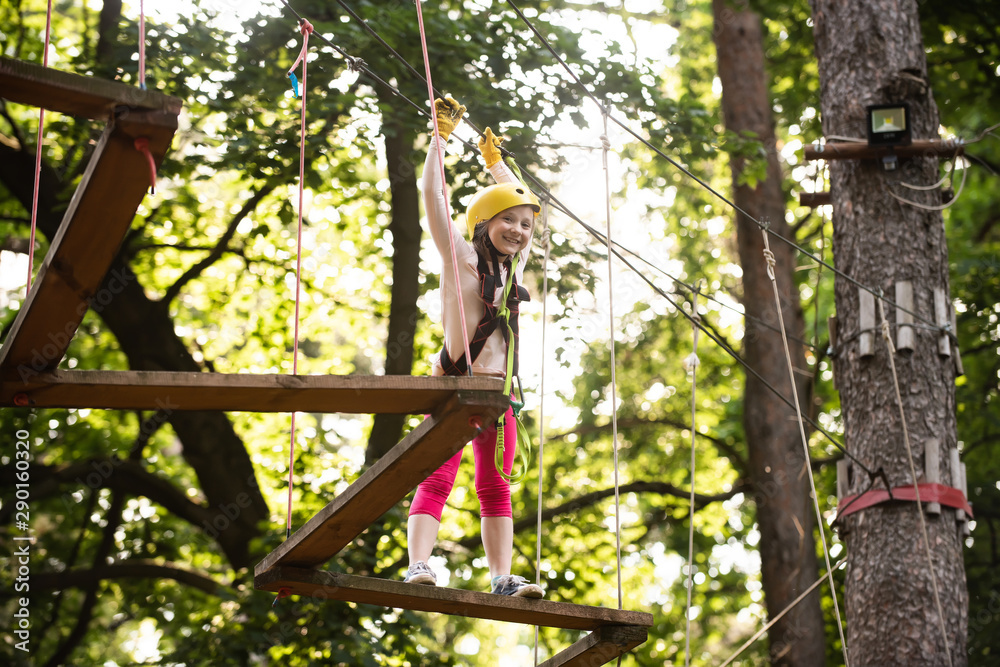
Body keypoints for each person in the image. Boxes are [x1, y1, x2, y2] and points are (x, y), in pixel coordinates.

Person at [404, 97, 544, 599]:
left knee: (496, 485)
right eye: (509, 221)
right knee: (438, 474)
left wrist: (496, 163)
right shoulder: (457, 257)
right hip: (458, 385)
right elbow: (433, 196)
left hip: (500, 395)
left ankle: (502, 578)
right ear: (483, 223)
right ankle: (419, 564)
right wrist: (439, 136)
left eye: (527, 226)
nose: (519, 232)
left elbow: (516, 202)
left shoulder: (514, 271)